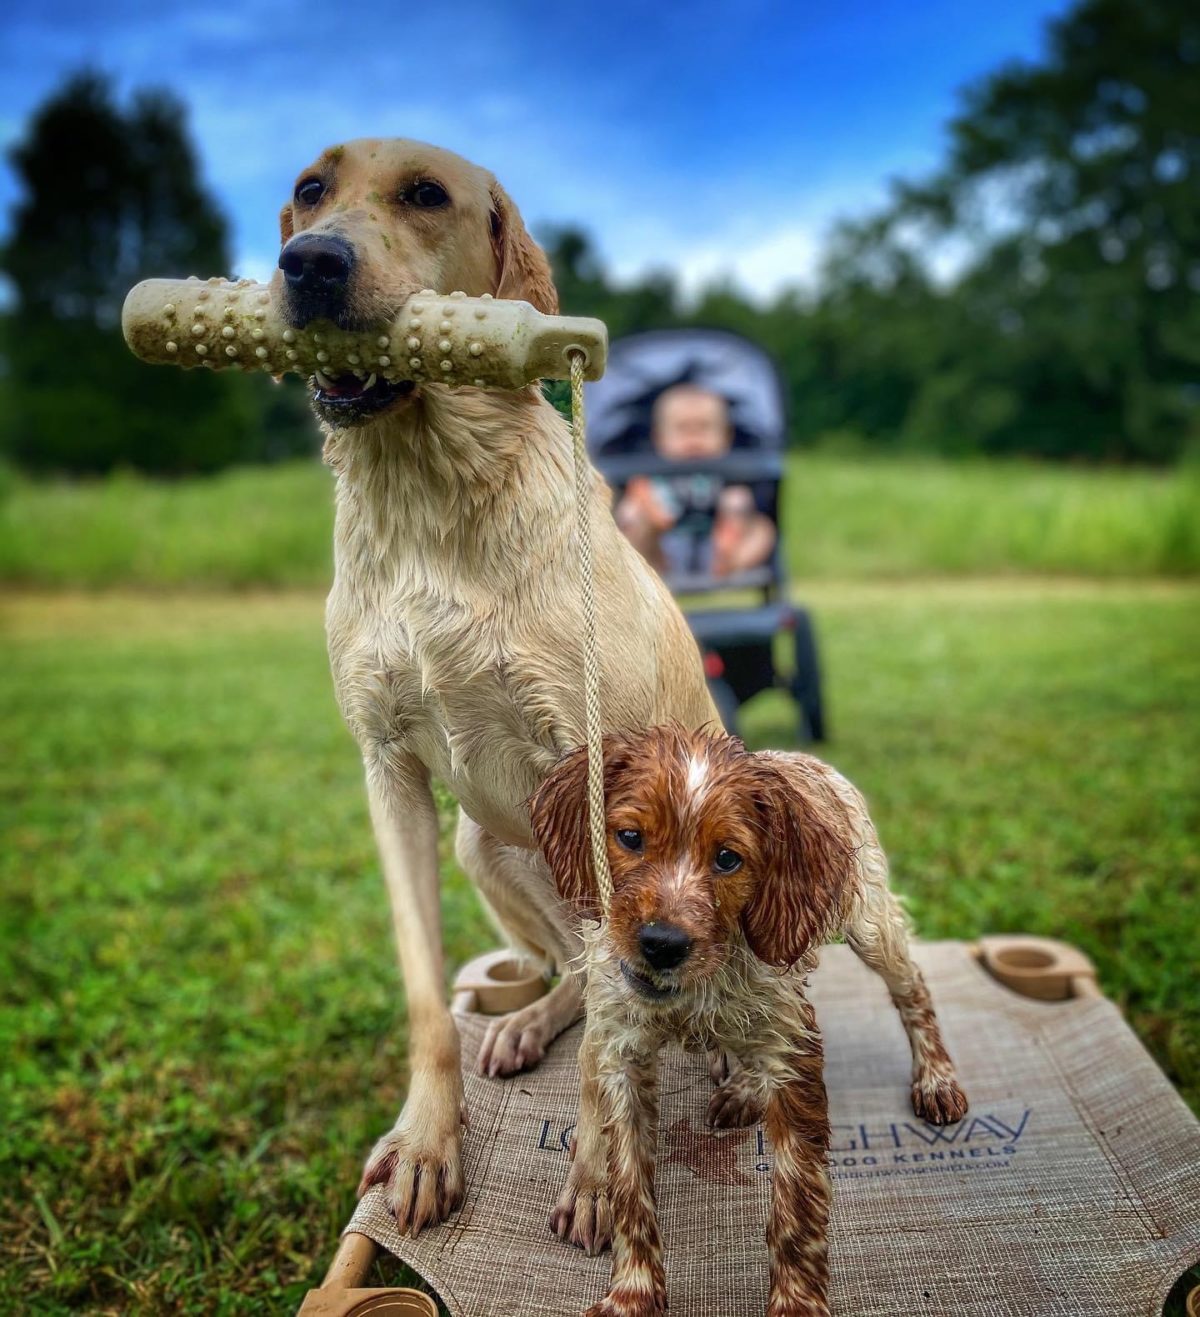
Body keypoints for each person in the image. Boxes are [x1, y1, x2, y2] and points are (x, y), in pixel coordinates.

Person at [615, 383, 777, 577]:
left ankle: (729, 562)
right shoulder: (651, 471)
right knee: (632, 513)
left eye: (704, 427)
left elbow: (749, 504)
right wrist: (641, 507)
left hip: (717, 542)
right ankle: (650, 571)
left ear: (726, 436)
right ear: (659, 438)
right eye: (683, 428)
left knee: (761, 526)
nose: (693, 438)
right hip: (663, 545)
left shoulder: (730, 471)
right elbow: (634, 495)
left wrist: (738, 511)